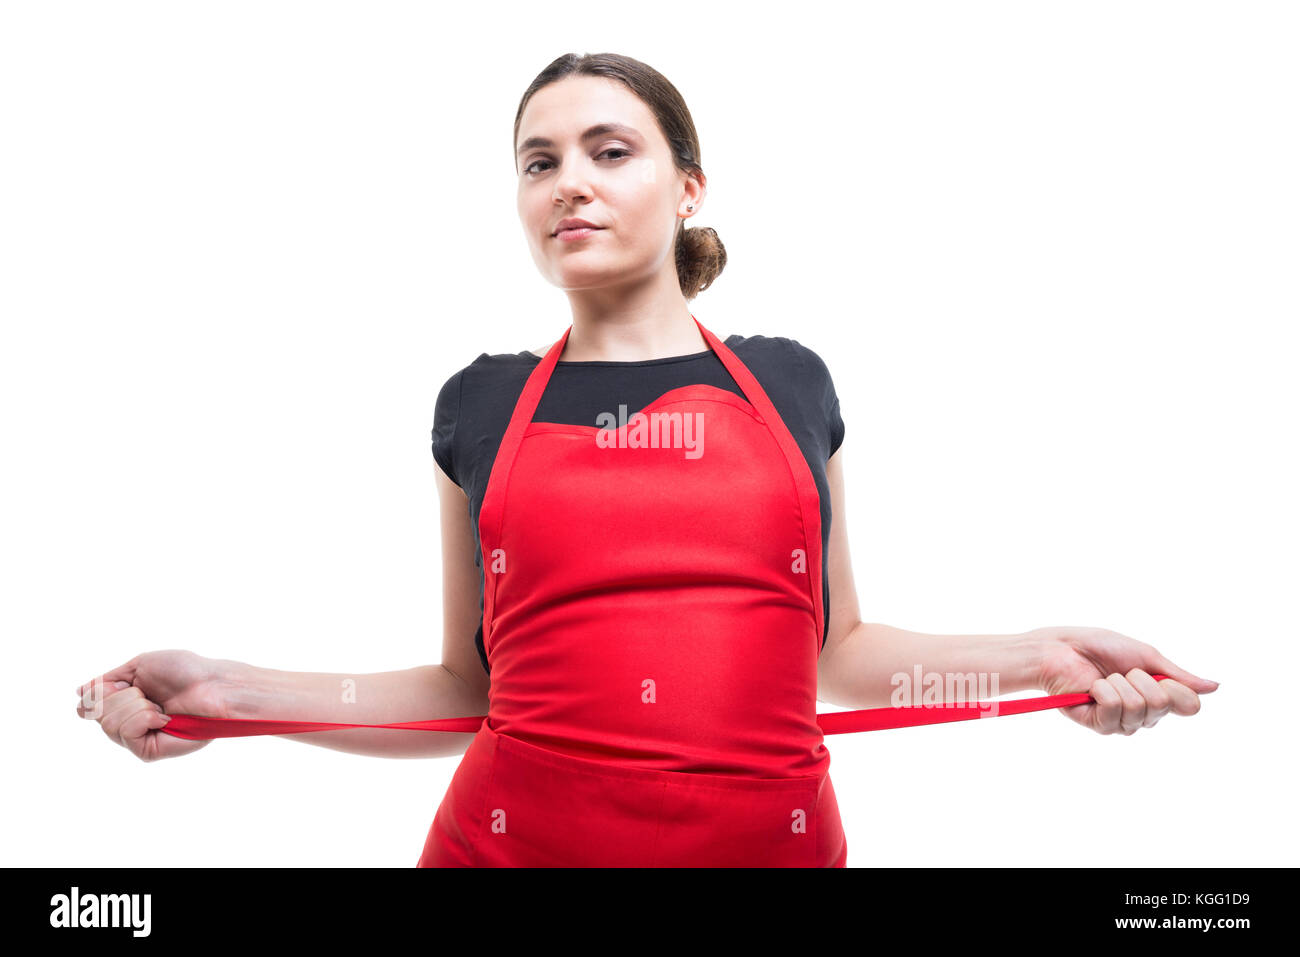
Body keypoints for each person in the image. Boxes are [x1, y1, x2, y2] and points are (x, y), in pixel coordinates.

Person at [76, 52, 1218, 867]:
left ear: (685, 188)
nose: (566, 180)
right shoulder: (476, 406)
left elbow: (839, 653)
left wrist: (1049, 658)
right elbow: (470, 691)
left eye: (607, 150)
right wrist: (238, 697)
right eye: (538, 161)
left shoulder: (786, 382)